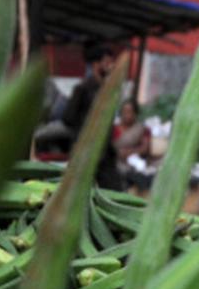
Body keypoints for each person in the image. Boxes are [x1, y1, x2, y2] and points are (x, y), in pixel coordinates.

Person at [62, 44, 124, 190]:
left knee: (114, 193)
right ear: (96, 64)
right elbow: (68, 118)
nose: (111, 66)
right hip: (86, 152)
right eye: (107, 62)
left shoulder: (108, 90)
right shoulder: (82, 89)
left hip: (105, 154)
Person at [112, 99, 152, 165]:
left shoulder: (141, 129)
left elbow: (145, 149)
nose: (126, 115)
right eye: (124, 112)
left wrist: (129, 152)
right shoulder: (114, 129)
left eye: (129, 112)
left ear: (135, 114)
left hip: (132, 164)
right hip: (113, 163)